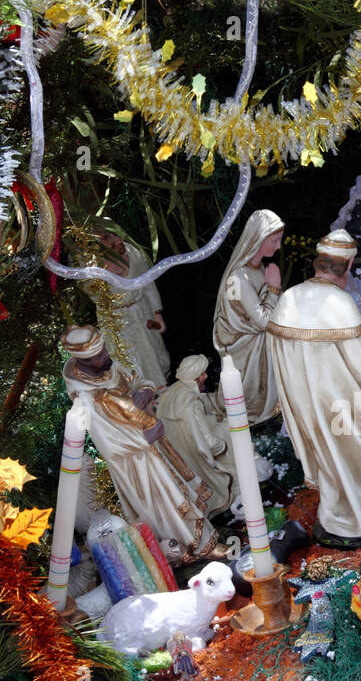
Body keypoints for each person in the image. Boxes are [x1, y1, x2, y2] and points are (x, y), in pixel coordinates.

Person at [266, 230, 361, 547]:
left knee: (332, 460)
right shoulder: (340, 302)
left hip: (308, 403)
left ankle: (339, 514)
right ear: (346, 267)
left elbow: (277, 355)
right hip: (345, 400)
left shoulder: (289, 298)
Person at [60, 326, 225, 564]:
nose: (106, 356)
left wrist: (145, 391)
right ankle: (189, 550)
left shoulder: (106, 366)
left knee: (177, 491)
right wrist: (144, 438)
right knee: (162, 503)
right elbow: (106, 442)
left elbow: (137, 379)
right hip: (134, 461)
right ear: (81, 360)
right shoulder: (85, 397)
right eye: (97, 356)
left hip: (152, 445)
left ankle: (201, 541)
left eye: (104, 350)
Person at [212, 209, 284, 423]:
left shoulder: (258, 266)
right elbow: (263, 322)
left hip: (258, 343)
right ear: (258, 238)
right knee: (246, 399)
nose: (278, 246)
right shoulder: (238, 277)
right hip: (243, 347)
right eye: (275, 240)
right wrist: (273, 290)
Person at [92, 229, 172, 390]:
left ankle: (162, 390)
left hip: (141, 310)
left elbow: (148, 283)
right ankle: (136, 395)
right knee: (129, 358)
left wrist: (157, 313)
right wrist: (106, 273)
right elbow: (93, 294)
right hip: (116, 317)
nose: (112, 239)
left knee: (153, 352)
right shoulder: (91, 262)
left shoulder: (133, 252)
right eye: (104, 237)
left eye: (111, 235)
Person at [157, 355, 235, 517]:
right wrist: (224, 444)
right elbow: (206, 442)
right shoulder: (191, 403)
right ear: (194, 376)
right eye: (202, 373)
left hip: (175, 454)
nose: (205, 376)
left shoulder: (169, 393)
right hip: (194, 456)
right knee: (230, 430)